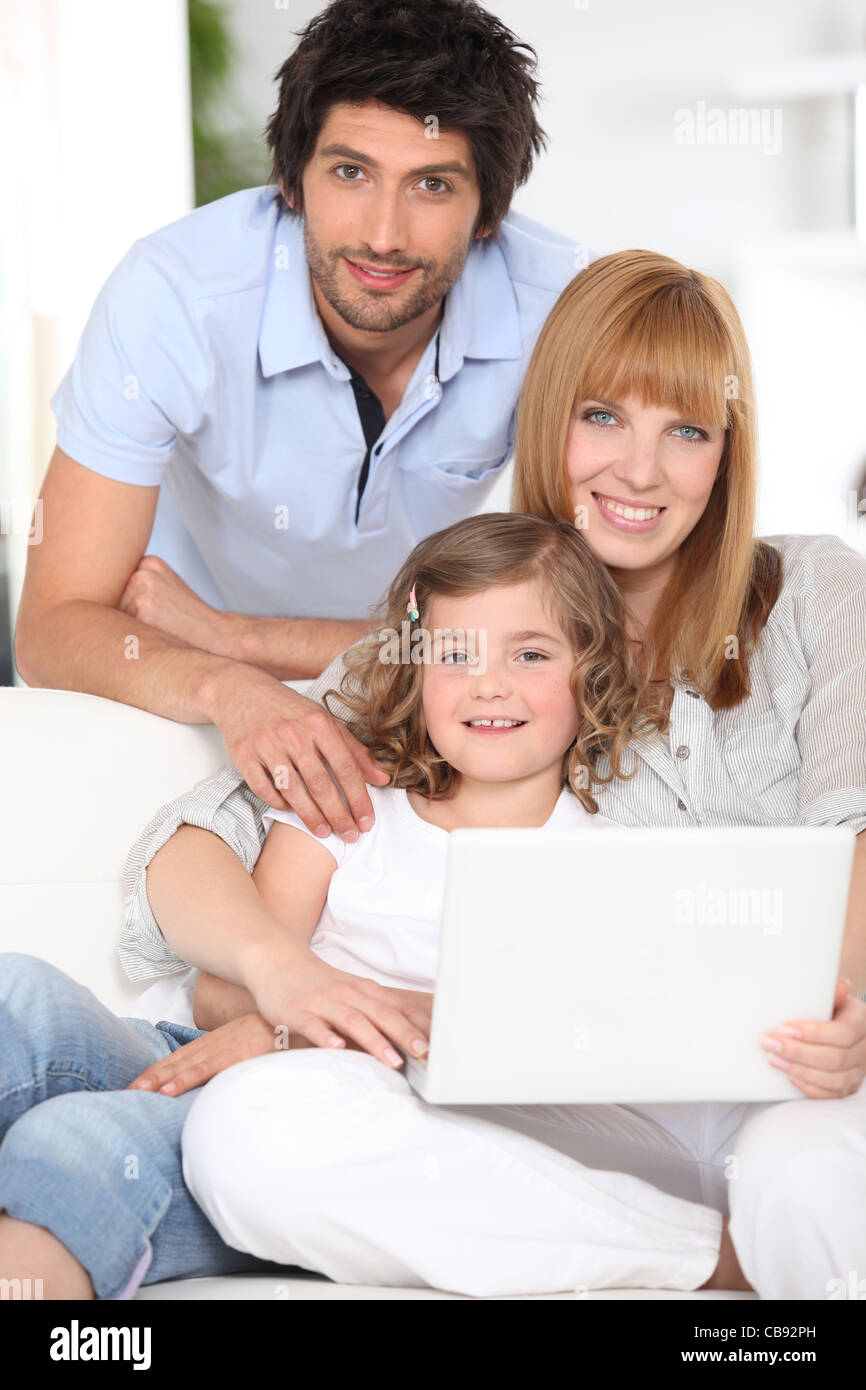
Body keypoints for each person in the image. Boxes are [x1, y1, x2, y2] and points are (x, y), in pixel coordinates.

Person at [121, 248, 865, 1299]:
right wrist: (286, 982)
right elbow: (200, 843)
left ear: (725, 452)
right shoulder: (450, 630)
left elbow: (856, 828)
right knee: (251, 1132)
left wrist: (848, 1014)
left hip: (788, 1090)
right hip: (550, 1115)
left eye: (685, 431)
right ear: (547, 418)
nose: (638, 472)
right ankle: (709, 1269)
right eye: (601, 418)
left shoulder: (817, 593)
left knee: (805, 1183)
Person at [0, 513, 646, 1298]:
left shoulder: (601, 857)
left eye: (532, 654)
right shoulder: (352, 806)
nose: (491, 684)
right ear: (413, 670)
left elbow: (540, 1040)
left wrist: (293, 1034)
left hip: (334, 1118)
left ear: (594, 670)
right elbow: (218, 993)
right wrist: (298, 1011)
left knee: (76, 1137)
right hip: (193, 1047)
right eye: (455, 655)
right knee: (17, 996)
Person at [13, 0, 587, 808]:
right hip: (170, 674)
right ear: (289, 179)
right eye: (350, 173)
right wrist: (228, 683)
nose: (383, 235)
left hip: (410, 685)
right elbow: (49, 630)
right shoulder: (175, 296)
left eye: (431, 184)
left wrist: (251, 643)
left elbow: (587, 633)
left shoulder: (563, 310)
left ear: (490, 212)